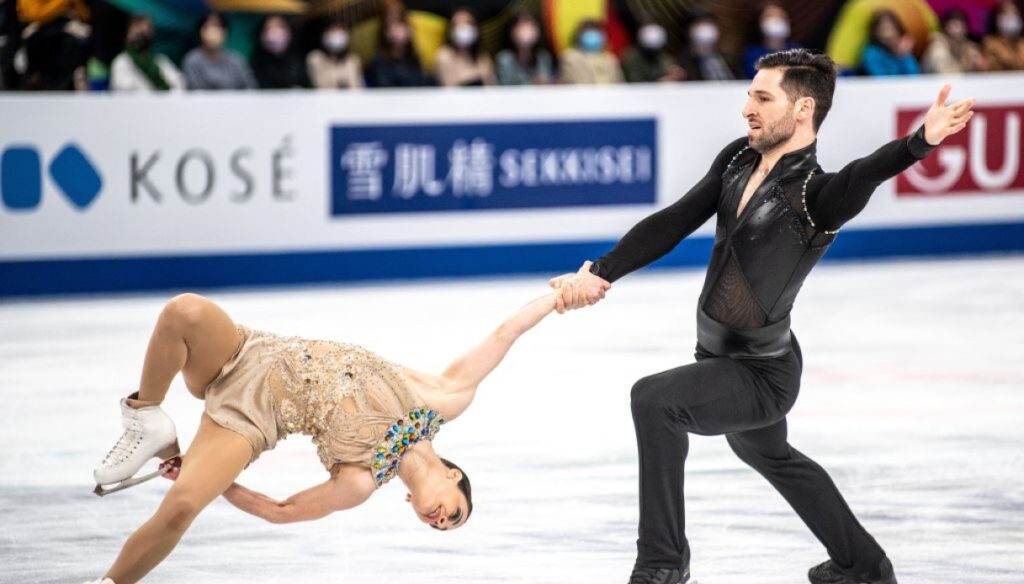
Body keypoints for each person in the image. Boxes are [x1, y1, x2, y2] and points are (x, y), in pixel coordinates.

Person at [550, 49, 973, 584]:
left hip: (761, 374)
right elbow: (676, 219)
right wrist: (601, 271)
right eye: (750, 93)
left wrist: (920, 142)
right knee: (771, 454)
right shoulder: (737, 160)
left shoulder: (817, 195)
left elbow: (868, 172)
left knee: (654, 401)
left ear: (802, 109)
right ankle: (863, 565)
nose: (745, 107)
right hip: (721, 356)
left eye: (761, 97)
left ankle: (662, 564)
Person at [83, 288, 573, 584]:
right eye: (455, 513)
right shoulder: (442, 399)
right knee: (184, 312)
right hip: (246, 351)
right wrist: (565, 293)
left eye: (439, 528)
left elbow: (281, 511)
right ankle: (145, 414)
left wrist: (213, 482)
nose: (441, 520)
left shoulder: (359, 482)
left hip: (249, 419)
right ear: (454, 474)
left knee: (184, 507)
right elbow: (508, 331)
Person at [109, 14, 185, 92]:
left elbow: (179, 84)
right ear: (128, 35)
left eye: (145, 33)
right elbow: (126, 91)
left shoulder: (160, 60)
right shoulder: (121, 62)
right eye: (137, 34)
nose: (141, 39)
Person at [181, 12, 256, 91]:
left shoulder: (236, 60)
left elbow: (250, 88)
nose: (213, 31)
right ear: (200, 31)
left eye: (217, 27)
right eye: (208, 27)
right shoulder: (192, 60)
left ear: (225, 32)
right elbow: (195, 90)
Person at [365, 7, 432, 88]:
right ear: (386, 32)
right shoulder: (378, 60)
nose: (399, 30)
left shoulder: (414, 58)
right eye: (393, 26)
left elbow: (421, 84)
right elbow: (383, 87)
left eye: (402, 24)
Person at [434, 8, 495, 87]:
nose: (463, 27)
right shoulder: (444, 56)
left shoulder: (483, 58)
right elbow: (448, 86)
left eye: (468, 23)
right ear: (450, 31)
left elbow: (491, 87)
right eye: (457, 24)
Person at [742, 2, 801, 79]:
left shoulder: (796, 50)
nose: (776, 21)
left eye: (780, 17)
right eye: (769, 16)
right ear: (760, 23)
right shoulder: (752, 53)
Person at [495, 11, 555, 85]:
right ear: (512, 32)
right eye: (521, 28)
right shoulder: (505, 59)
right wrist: (531, 83)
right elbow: (504, 86)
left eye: (531, 28)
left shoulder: (543, 57)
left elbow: (547, 82)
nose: (526, 32)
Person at [251, 14, 309, 89]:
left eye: (280, 27)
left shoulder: (298, 62)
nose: (275, 32)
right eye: (269, 28)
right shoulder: (255, 64)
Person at [620, 16, 685, 83]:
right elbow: (635, 83)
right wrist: (658, 84)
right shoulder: (631, 58)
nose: (652, 34)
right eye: (648, 29)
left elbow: (671, 71)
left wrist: (675, 75)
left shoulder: (665, 57)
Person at [922, 8, 988, 74]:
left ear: (965, 28)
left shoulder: (967, 46)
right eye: (952, 26)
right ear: (945, 27)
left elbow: (982, 66)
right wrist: (965, 66)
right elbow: (944, 72)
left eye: (959, 26)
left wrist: (978, 63)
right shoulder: (937, 46)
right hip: (936, 82)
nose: (956, 30)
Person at [559, 19, 624, 84]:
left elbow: (619, 84)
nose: (593, 36)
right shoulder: (570, 57)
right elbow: (572, 82)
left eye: (596, 32)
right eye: (589, 32)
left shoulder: (610, 59)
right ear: (579, 36)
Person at [678, 11, 735, 81]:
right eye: (700, 24)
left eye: (709, 23)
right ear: (689, 30)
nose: (705, 28)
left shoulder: (727, 58)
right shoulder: (683, 62)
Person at [861, 9, 921, 76]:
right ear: (875, 32)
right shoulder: (872, 53)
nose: (888, 34)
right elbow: (879, 78)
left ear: (898, 30)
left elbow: (915, 75)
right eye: (883, 29)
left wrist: (904, 55)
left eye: (891, 29)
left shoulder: (903, 51)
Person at [306, 20, 363, 90]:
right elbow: (319, 85)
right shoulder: (315, 58)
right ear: (324, 34)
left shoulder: (353, 60)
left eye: (340, 30)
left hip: (349, 100)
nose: (336, 35)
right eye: (332, 31)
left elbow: (357, 87)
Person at [982, 0, 1024, 71]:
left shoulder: (1022, 43)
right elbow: (993, 66)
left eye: (1015, 13)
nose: (1011, 17)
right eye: (1006, 13)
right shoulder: (990, 43)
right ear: (997, 18)